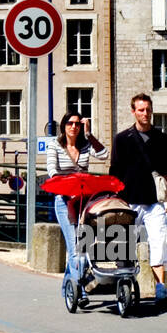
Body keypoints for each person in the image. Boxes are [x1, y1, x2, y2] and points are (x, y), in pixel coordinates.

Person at [109, 93, 167, 306]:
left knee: (158, 242)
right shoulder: (122, 139)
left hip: (154, 201)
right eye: (140, 110)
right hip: (129, 201)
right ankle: (125, 282)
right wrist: (114, 198)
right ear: (133, 112)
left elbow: (166, 171)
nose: (145, 113)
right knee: (126, 242)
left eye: (148, 109)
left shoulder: (161, 138)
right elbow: (115, 172)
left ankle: (160, 289)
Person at [49, 112, 108, 284]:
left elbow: (104, 154)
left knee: (83, 247)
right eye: (70, 123)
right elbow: (52, 171)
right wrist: (68, 187)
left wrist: (89, 135)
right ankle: (80, 290)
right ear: (63, 126)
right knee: (75, 248)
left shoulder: (85, 146)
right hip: (64, 200)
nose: (74, 127)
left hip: (84, 201)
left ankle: (69, 288)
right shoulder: (55, 146)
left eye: (77, 124)